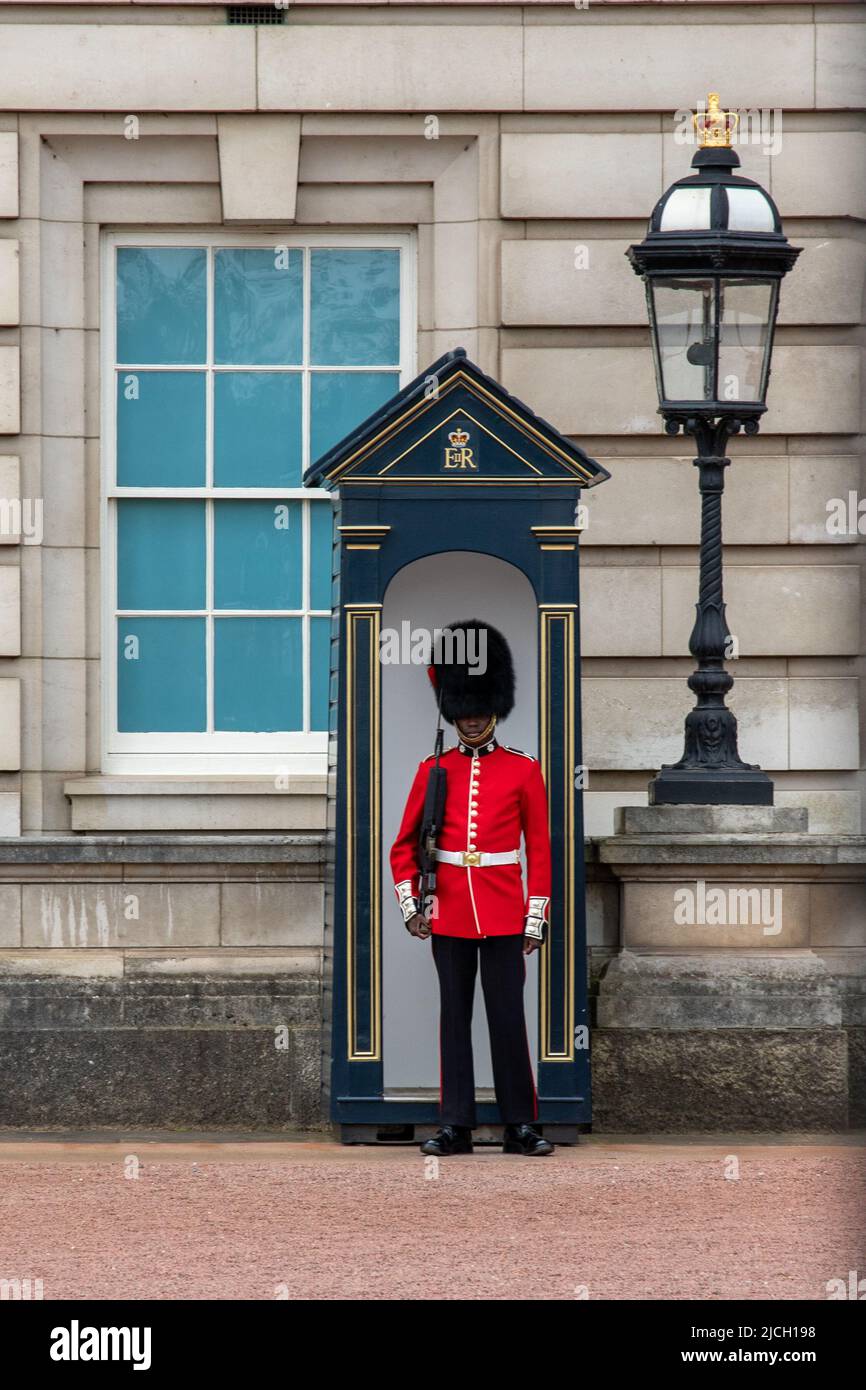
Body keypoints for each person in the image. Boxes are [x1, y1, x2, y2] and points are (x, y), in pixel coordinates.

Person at [389, 619, 554, 1158]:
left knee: (507, 1017)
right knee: (453, 1017)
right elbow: (402, 847)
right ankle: (455, 1123)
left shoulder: (524, 770)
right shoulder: (432, 769)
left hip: (505, 910)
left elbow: (541, 849)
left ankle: (519, 1124)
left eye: (480, 709)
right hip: (450, 910)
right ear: (453, 710)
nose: (473, 718)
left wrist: (536, 915)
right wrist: (414, 905)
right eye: (463, 709)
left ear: (494, 709)